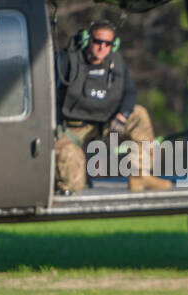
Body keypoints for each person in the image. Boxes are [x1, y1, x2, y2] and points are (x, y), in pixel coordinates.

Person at [53, 20, 173, 193]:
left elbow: (130, 93)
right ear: (88, 40)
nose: (102, 47)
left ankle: (139, 175)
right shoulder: (66, 62)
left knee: (138, 114)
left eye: (107, 44)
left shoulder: (116, 63)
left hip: (106, 125)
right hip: (71, 130)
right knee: (73, 186)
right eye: (97, 42)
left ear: (113, 45)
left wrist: (122, 116)